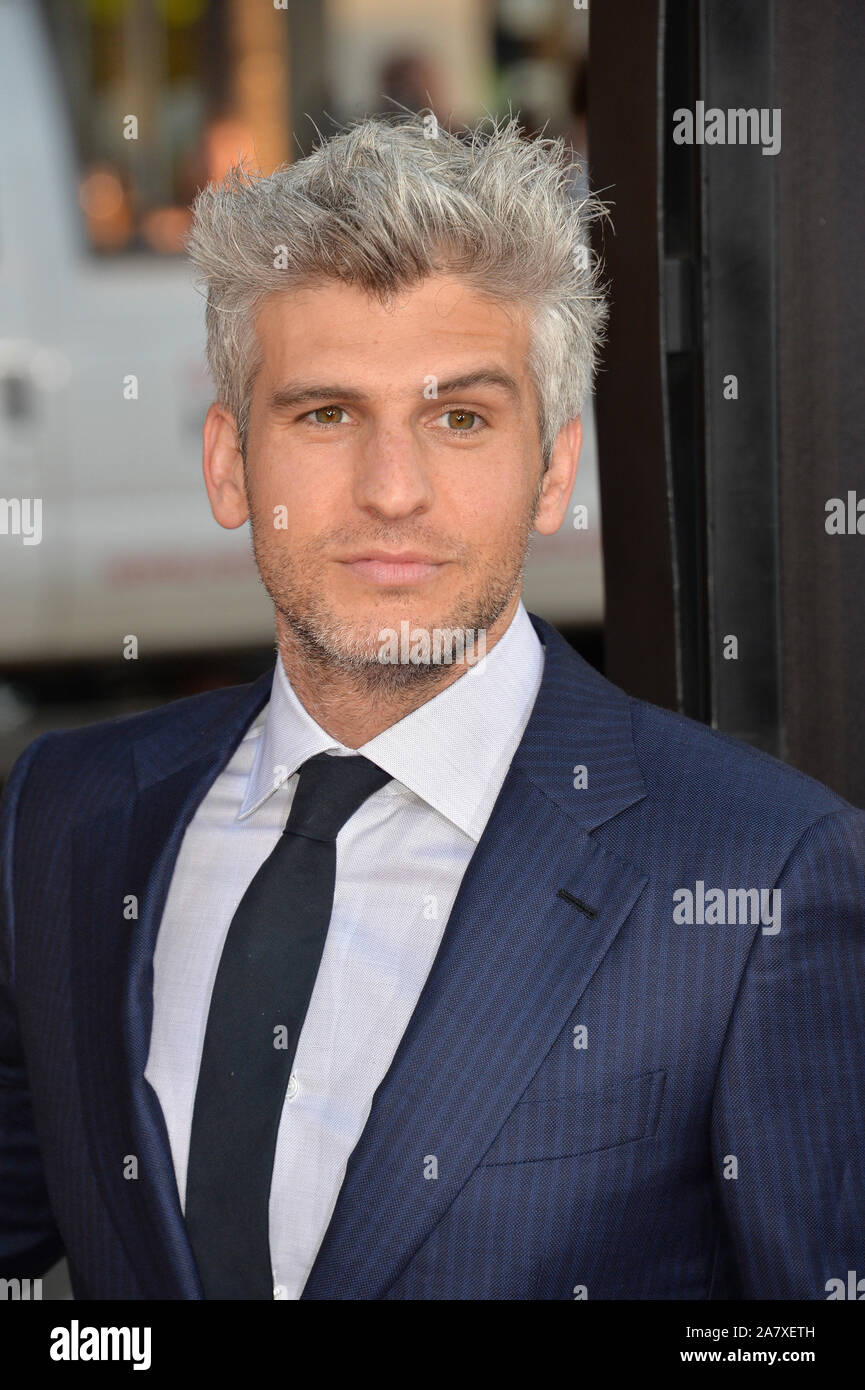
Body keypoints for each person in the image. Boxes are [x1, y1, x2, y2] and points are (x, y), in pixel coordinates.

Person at [1, 114, 863, 1302]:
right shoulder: (68, 813)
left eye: (460, 417)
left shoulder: (761, 872)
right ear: (229, 465)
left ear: (553, 470)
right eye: (323, 414)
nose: (391, 491)